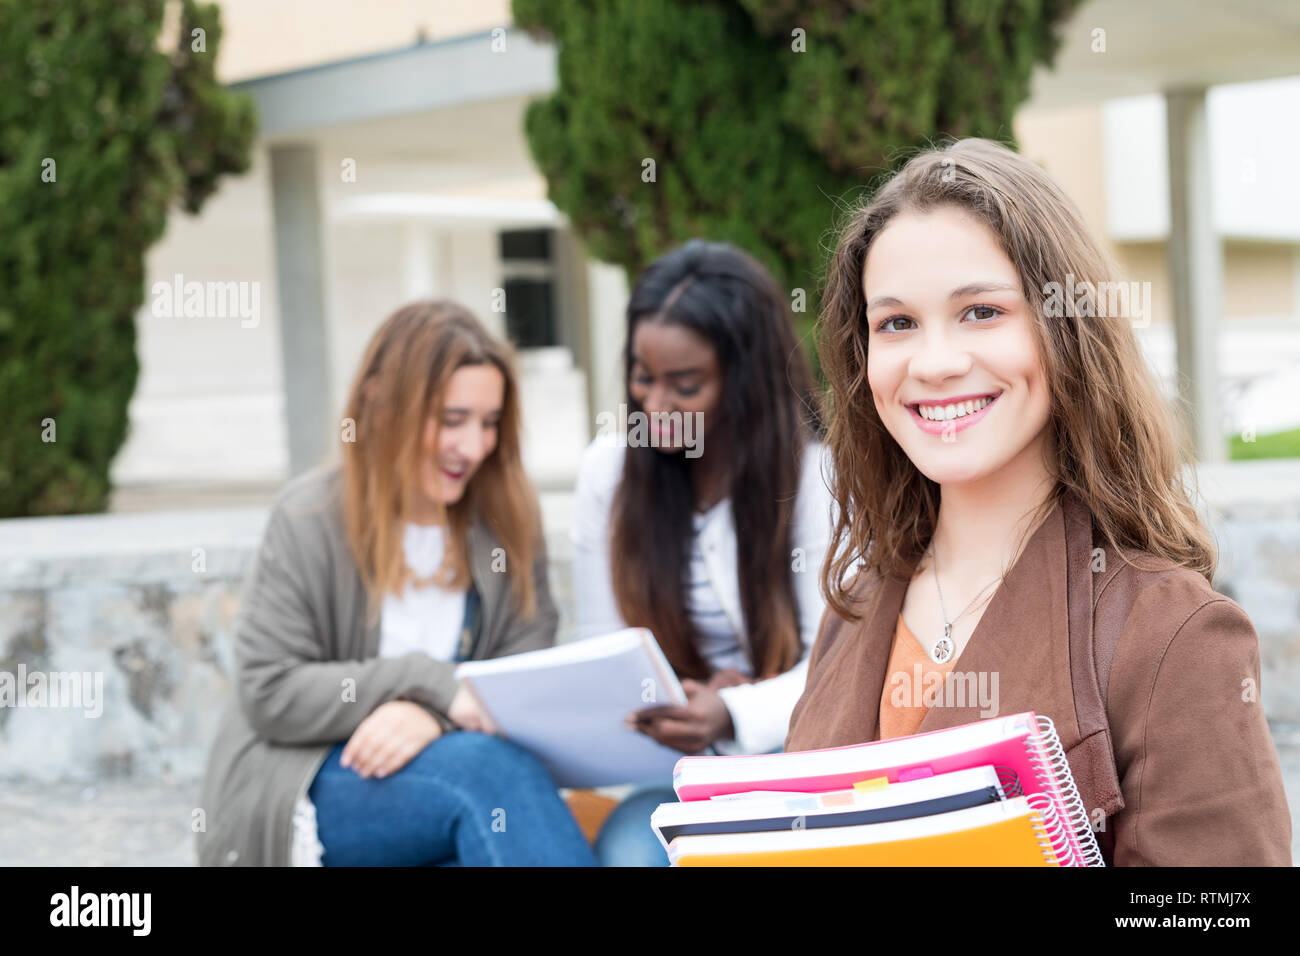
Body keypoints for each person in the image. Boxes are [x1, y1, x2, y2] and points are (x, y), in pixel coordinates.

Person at [784, 138, 1292, 865]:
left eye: (981, 312)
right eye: (897, 323)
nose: (935, 363)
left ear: (1066, 329)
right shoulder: (857, 605)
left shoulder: (1173, 634)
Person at [196, 300, 596, 866]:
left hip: (446, 776)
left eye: (489, 423)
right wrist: (426, 684)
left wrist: (427, 716)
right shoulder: (310, 516)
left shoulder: (507, 519)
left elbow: (520, 683)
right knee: (483, 775)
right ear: (382, 403)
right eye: (452, 419)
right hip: (313, 778)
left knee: (485, 803)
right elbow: (270, 690)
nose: (474, 446)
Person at [574, 239, 835, 865]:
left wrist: (733, 712)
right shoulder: (608, 475)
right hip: (669, 769)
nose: (654, 406)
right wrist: (673, 707)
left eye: (685, 385)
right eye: (643, 377)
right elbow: (602, 655)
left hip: (795, 759)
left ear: (743, 383)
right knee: (630, 853)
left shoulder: (818, 479)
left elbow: (834, 671)